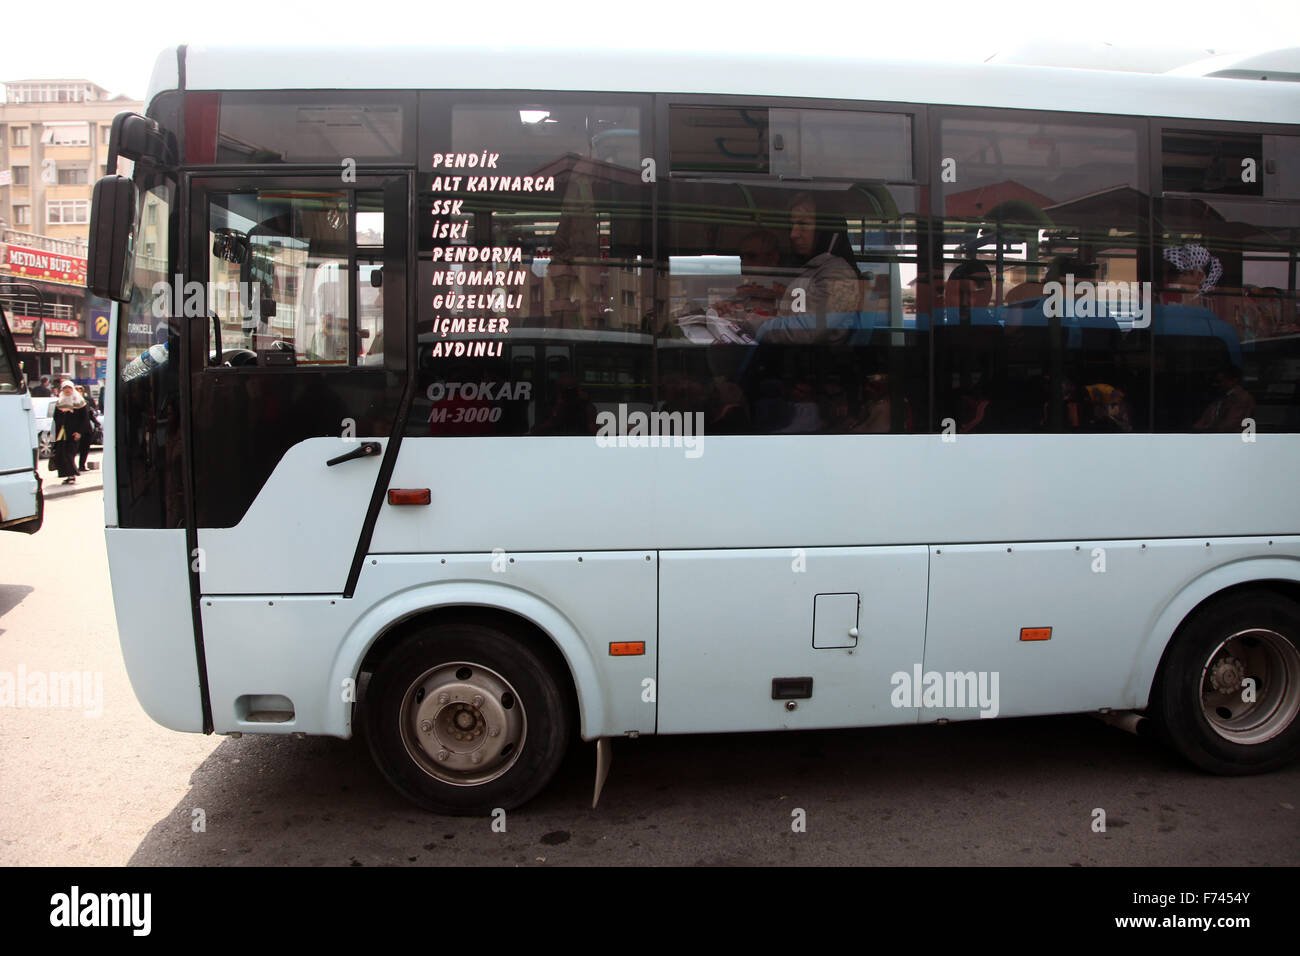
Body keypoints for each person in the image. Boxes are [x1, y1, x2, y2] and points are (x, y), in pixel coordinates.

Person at [52, 382, 90, 484]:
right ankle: (68, 475)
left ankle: (72, 474)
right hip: (62, 433)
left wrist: (79, 432)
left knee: (69, 454)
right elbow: (55, 418)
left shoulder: (80, 402)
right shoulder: (60, 402)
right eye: (65, 388)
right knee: (62, 454)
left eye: (69, 388)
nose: (67, 390)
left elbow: (85, 419)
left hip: (74, 433)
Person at [75, 386, 95, 472]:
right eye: (77, 391)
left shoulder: (86, 403)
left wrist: (97, 423)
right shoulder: (73, 403)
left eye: (80, 391)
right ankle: (73, 467)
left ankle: (82, 465)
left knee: (85, 448)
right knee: (75, 449)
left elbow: (90, 415)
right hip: (77, 430)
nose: (79, 393)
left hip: (86, 429)